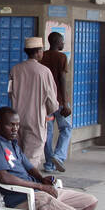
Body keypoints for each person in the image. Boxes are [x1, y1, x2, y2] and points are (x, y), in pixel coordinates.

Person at [8, 36, 60, 168]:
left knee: (18, 151)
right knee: (33, 155)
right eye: (42, 50)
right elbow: (52, 100)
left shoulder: (15, 70)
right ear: (38, 52)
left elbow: (10, 92)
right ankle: (27, 182)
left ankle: (18, 178)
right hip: (36, 118)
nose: (42, 52)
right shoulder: (44, 72)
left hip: (17, 117)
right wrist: (47, 111)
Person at [39, 31, 73, 173]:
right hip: (59, 100)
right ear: (57, 42)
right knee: (66, 128)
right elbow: (62, 79)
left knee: (48, 132)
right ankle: (58, 156)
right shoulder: (61, 57)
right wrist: (65, 102)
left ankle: (49, 164)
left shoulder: (42, 56)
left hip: (46, 102)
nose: (63, 43)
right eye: (62, 41)